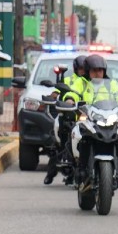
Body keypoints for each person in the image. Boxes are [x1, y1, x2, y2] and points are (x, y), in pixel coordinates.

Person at [77, 54, 118, 188]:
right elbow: (72, 93)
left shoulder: (111, 84)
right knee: (79, 135)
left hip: (109, 117)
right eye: (94, 70)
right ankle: (82, 169)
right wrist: (70, 99)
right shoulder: (82, 83)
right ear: (88, 71)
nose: (98, 73)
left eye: (100, 70)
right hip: (89, 118)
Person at [44, 56, 89, 185]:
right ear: (75, 69)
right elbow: (57, 91)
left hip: (88, 118)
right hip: (69, 116)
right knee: (60, 144)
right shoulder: (69, 80)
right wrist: (51, 97)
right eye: (80, 69)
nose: (82, 71)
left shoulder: (92, 82)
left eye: (84, 69)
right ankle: (51, 174)